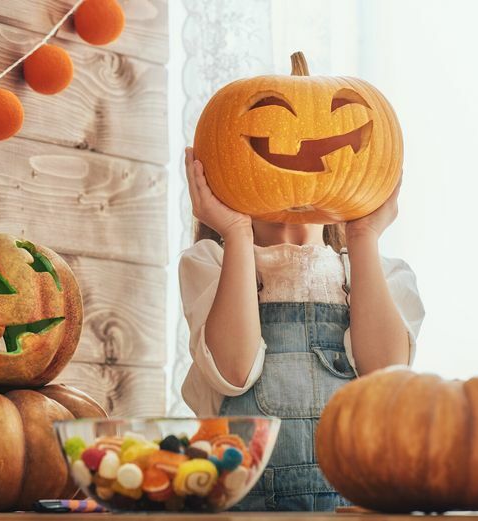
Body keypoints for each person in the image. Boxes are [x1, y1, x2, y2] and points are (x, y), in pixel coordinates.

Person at [179, 147, 425, 511]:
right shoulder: (213, 262)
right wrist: (235, 233)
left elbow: (385, 379)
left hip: (358, 508)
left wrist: (362, 236)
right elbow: (234, 370)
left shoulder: (381, 271)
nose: (295, 149)